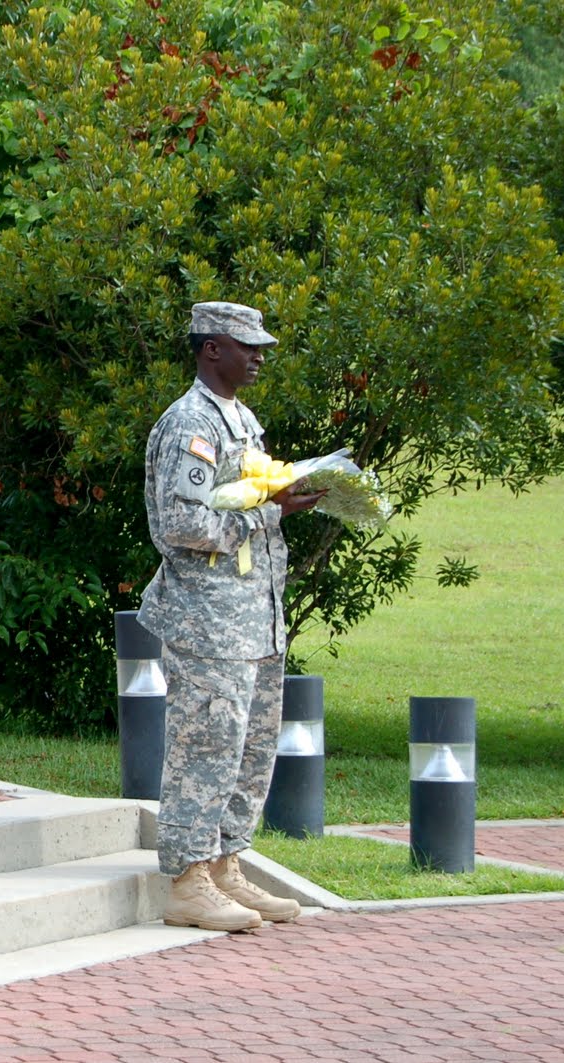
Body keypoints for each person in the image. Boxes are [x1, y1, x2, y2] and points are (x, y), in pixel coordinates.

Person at [137, 300, 324, 932]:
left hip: (254, 619)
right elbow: (181, 523)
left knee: (250, 749)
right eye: (248, 346)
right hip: (208, 621)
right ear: (211, 348)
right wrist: (272, 512)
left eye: (262, 347)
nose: (259, 357)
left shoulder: (239, 418)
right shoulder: (190, 422)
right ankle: (188, 880)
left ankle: (224, 864)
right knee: (206, 749)